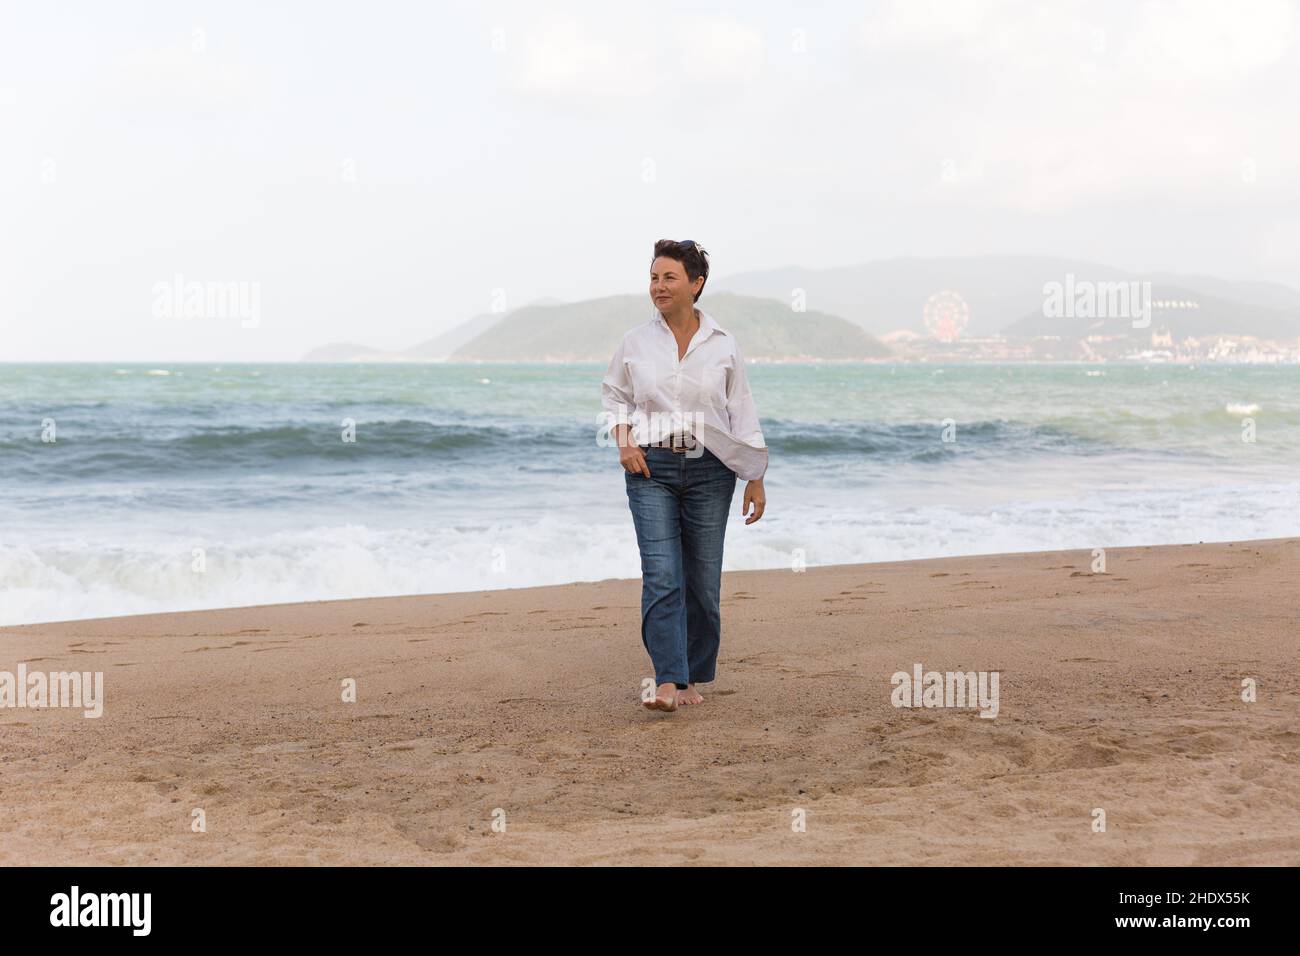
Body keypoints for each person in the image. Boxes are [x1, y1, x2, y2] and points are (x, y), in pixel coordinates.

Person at [600, 239, 768, 713]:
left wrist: (754, 475)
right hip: (650, 467)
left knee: (701, 579)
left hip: (712, 470)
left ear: (696, 284)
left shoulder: (723, 344)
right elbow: (614, 395)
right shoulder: (635, 341)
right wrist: (625, 441)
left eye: (669, 277)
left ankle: (693, 674)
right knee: (662, 574)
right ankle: (668, 681)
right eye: (654, 277)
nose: (658, 286)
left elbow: (741, 409)